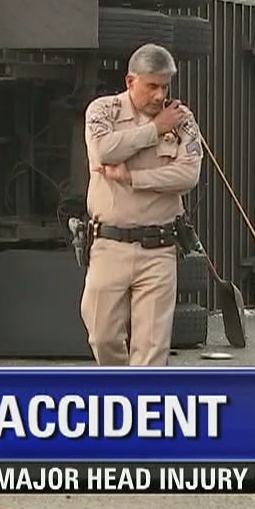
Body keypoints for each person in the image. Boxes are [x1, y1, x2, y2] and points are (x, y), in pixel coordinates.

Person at [81, 43, 203, 367]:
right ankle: (121, 392)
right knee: (102, 336)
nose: (160, 95)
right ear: (130, 81)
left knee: (151, 350)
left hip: (159, 247)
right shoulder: (102, 111)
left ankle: (141, 408)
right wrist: (154, 130)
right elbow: (104, 151)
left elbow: (188, 174)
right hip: (109, 244)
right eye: (152, 86)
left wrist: (133, 178)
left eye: (165, 86)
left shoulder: (181, 118)